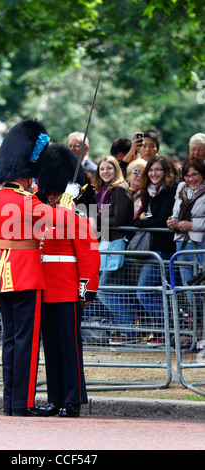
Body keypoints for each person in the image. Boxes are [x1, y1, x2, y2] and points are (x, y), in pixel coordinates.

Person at [0, 119, 80, 417]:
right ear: (27, 175)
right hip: (26, 275)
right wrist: (68, 199)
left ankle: (10, 402)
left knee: (10, 341)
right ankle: (24, 403)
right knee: (26, 341)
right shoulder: (25, 201)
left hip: (2, 274)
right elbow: (61, 221)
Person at [35, 144, 100, 417]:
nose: (50, 197)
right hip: (45, 291)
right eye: (48, 192)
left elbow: (89, 258)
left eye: (55, 192)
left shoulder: (77, 219)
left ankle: (73, 401)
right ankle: (56, 399)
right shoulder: (42, 217)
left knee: (70, 348)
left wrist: (86, 291)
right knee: (51, 347)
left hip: (68, 291)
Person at [134, 155, 177, 346]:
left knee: (144, 292)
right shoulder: (148, 192)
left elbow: (161, 221)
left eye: (158, 169)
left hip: (164, 250)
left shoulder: (171, 191)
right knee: (155, 292)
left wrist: (145, 222)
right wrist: (144, 221)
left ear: (166, 172)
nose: (154, 173)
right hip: (152, 250)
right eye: (151, 170)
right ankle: (164, 331)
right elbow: (135, 221)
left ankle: (167, 330)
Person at [93, 155, 135, 344]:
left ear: (116, 169)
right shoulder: (104, 190)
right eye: (102, 169)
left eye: (109, 168)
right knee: (113, 291)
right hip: (106, 242)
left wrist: (95, 222)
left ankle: (128, 331)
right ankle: (126, 331)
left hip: (116, 242)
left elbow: (118, 219)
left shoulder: (119, 189)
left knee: (104, 290)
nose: (105, 172)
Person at [167, 157, 205, 309]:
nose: (191, 179)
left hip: (199, 243)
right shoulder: (181, 187)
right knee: (187, 289)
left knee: (200, 287)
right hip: (181, 242)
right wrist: (172, 222)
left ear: (202, 174)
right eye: (188, 175)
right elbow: (175, 212)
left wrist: (192, 225)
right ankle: (195, 326)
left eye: (195, 174)